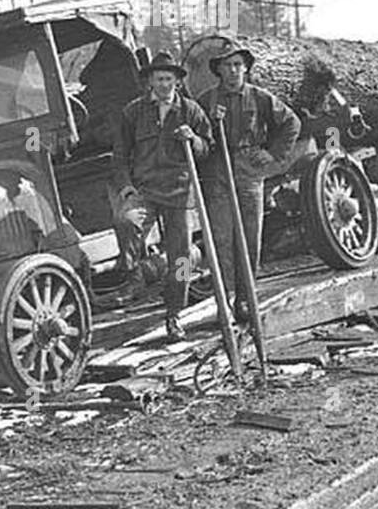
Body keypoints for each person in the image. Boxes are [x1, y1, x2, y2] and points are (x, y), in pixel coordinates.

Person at [111, 52, 213, 341]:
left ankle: (174, 315)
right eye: (159, 79)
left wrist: (192, 139)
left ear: (177, 82)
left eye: (169, 79)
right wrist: (126, 187)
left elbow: (209, 149)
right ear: (150, 82)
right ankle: (133, 275)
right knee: (126, 220)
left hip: (179, 193)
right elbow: (119, 156)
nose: (164, 84)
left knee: (180, 259)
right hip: (146, 191)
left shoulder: (191, 111)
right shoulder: (134, 112)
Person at [197, 43, 301, 322]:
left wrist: (272, 154)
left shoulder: (259, 97)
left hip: (249, 169)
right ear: (218, 70)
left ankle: (246, 298)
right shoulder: (205, 100)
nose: (233, 71)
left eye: (237, 65)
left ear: (245, 68)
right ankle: (225, 299)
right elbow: (196, 137)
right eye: (227, 66)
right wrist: (209, 125)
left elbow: (292, 123)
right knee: (221, 237)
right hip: (217, 170)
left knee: (250, 236)